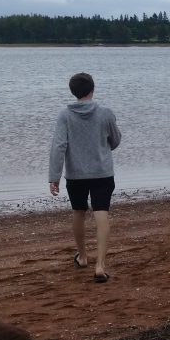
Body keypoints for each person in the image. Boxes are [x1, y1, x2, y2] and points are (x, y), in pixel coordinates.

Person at [49, 72, 121, 284]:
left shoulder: (65, 115)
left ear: (73, 92)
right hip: (102, 172)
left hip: (76, 175)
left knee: (78, 212)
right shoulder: (106, 113)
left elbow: (59, 146)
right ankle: (100, 266)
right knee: (102, 214)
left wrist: (54, 176)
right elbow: (115, 141)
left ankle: (82, 257)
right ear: (92, 89)